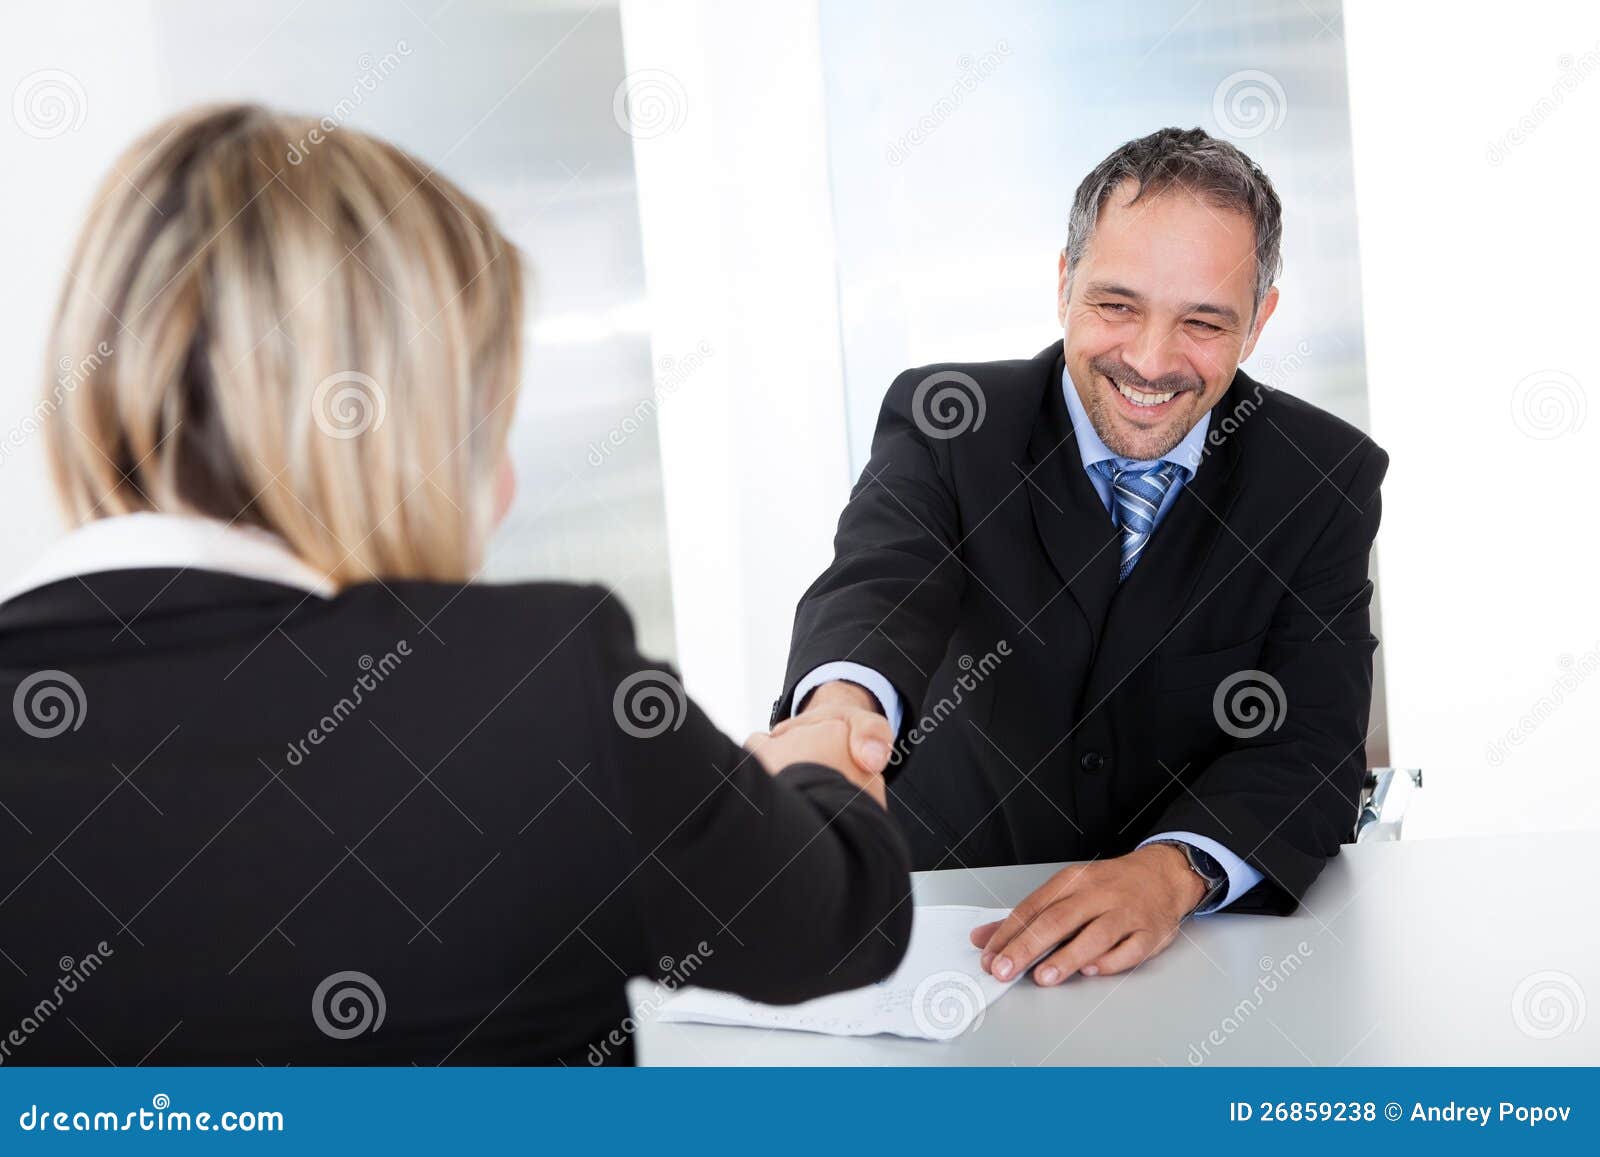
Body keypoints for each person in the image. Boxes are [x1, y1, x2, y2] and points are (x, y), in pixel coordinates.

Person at [0, 104, 910, 1066]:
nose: (504, 483)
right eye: (479, 423)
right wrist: (807, 768)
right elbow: (841, 919)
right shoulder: (534, 685)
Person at [772, 127, 1388, 988]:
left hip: (1195, 967)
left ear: (1260, 321)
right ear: (1064, 281)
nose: (1149, 360)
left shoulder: (1323, 477)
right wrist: (835, 720)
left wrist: (1174, 873)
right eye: (1116, 306)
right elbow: (882, 581)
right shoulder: (951, 421)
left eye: (1204, 322)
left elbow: (1312, 740)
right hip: (942, 940)